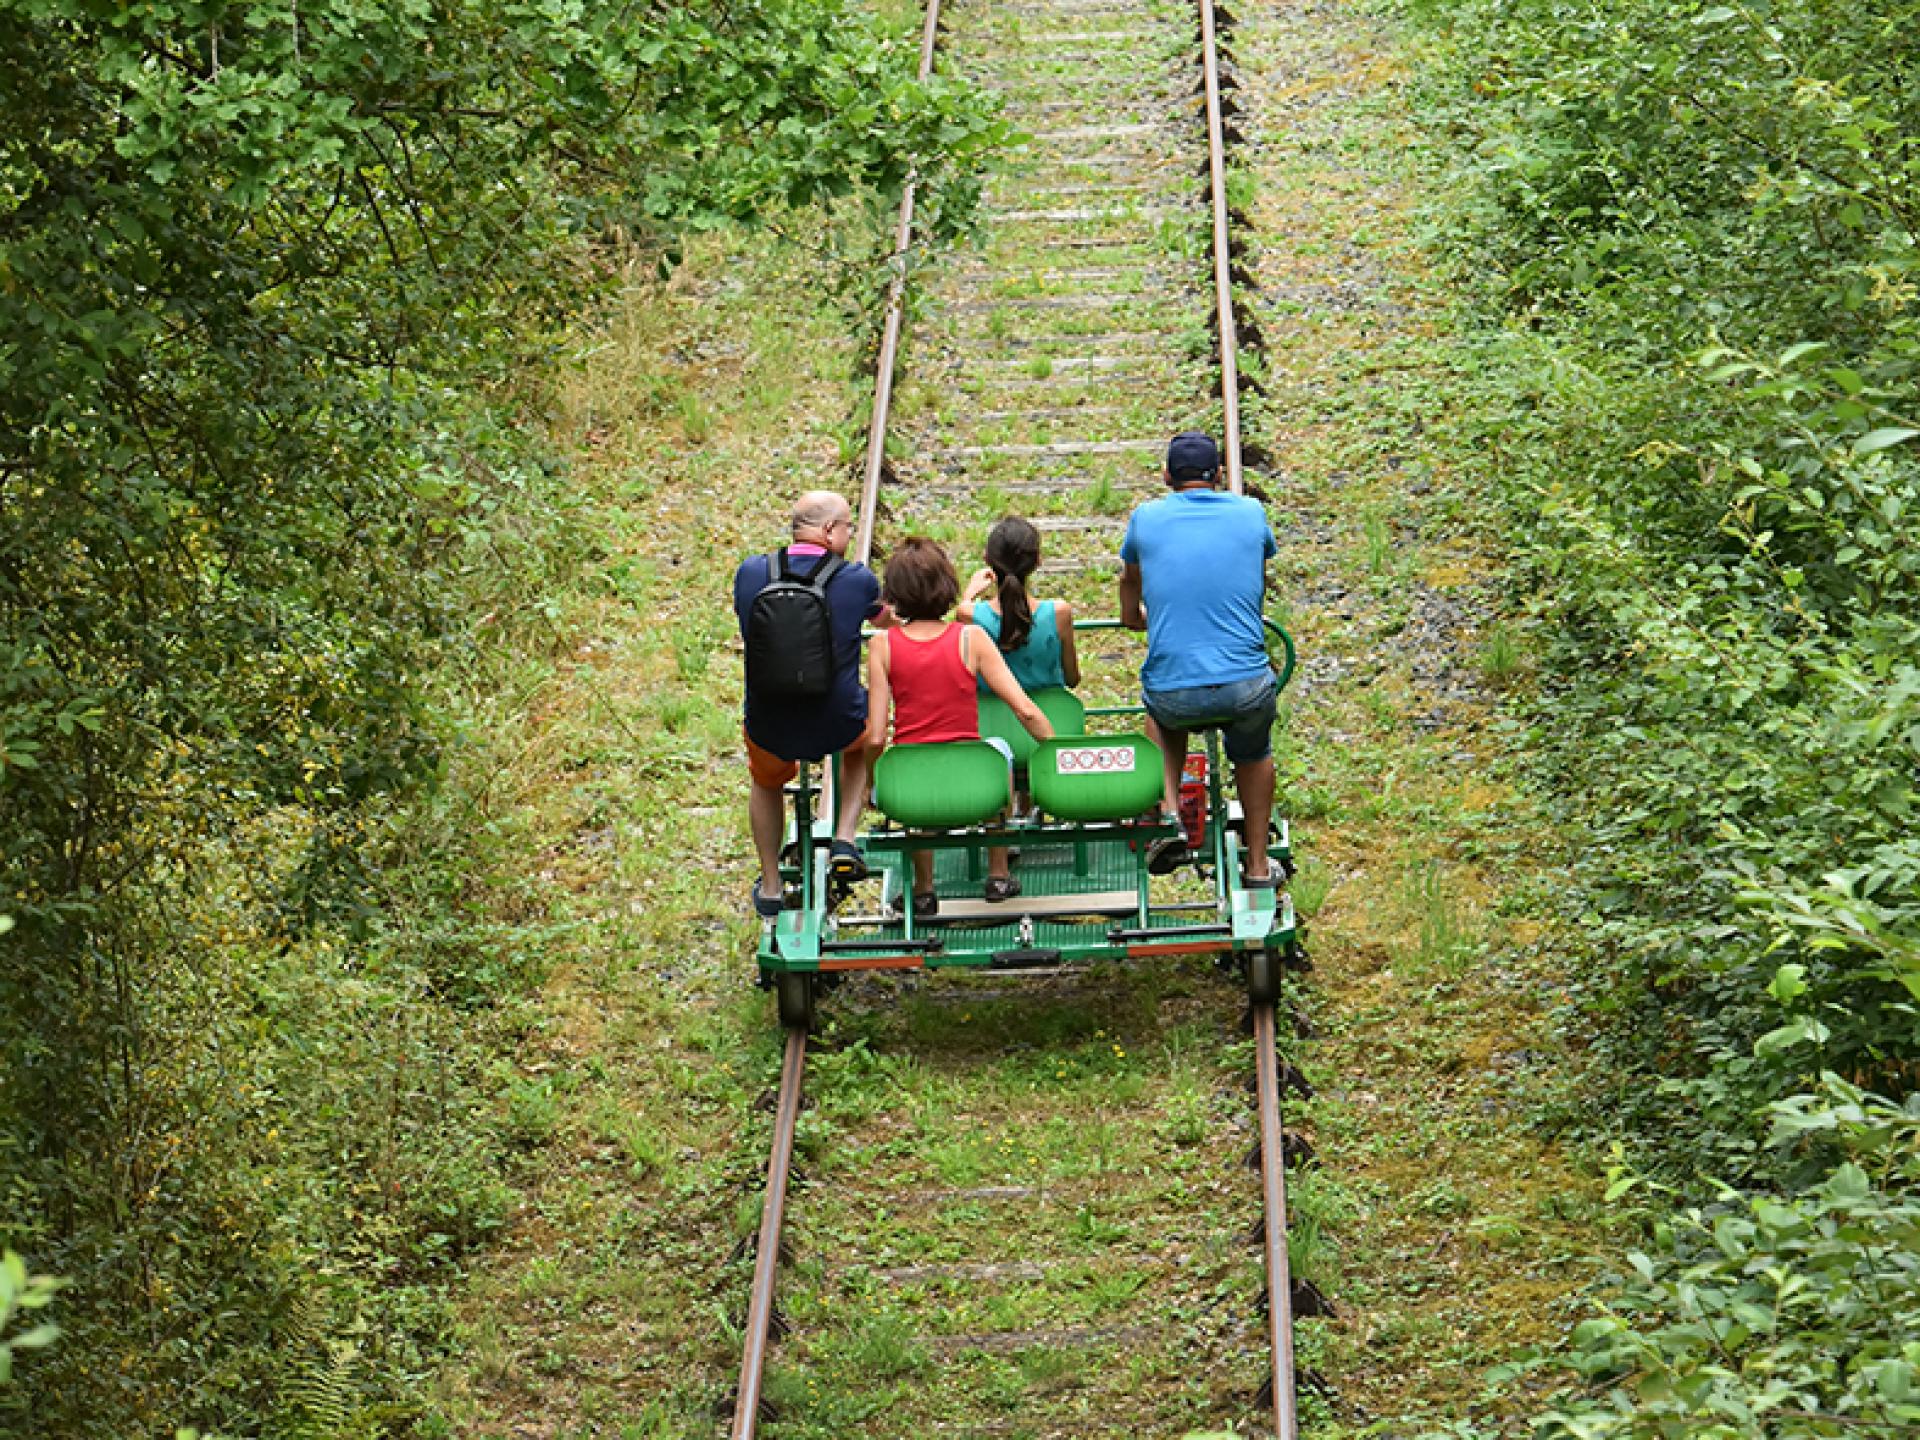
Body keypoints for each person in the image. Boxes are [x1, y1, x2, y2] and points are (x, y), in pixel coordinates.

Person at [1118, 432, 1281, 884]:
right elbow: (1256, 576)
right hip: (1246, 684)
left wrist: (1134, 617)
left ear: (1167, 476)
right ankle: (1258, 864)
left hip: (1176, 692)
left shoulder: (1146, 517)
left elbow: (1130, 581)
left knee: (1161, 710)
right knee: (1254, 752)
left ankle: (1170, 813)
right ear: (1221, 475)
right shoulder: (1250, 512)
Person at [866, 537, 1055, 914]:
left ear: (894, 593)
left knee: (915, 783)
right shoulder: (971, 639)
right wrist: (1058, 751)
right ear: (946, 586)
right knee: (997, 750)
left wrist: (874, 781)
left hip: (912, 779)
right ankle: (998, 874)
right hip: (976, 780)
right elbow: (1025, 711)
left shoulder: (883, 645)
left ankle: (923, 889)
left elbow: (875, 735)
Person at [733, 491, 889, 918]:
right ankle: (845, 837)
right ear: (828, 531)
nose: (850, 534)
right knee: (863, 744)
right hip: (836, 722)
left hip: (770, 722)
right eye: (847, 527)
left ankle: (769, 883)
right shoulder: (856, 580)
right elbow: (884, 619)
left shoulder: (751, 573)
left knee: (766, 782)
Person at [959, 515, 1081, 693]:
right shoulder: (1059, 613)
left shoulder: (969, 615)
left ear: (987, 559)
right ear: (1037, 561)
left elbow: (963, 677)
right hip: (1050, 717)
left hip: (991, 719)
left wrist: (967, 597)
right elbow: (1072, 678)